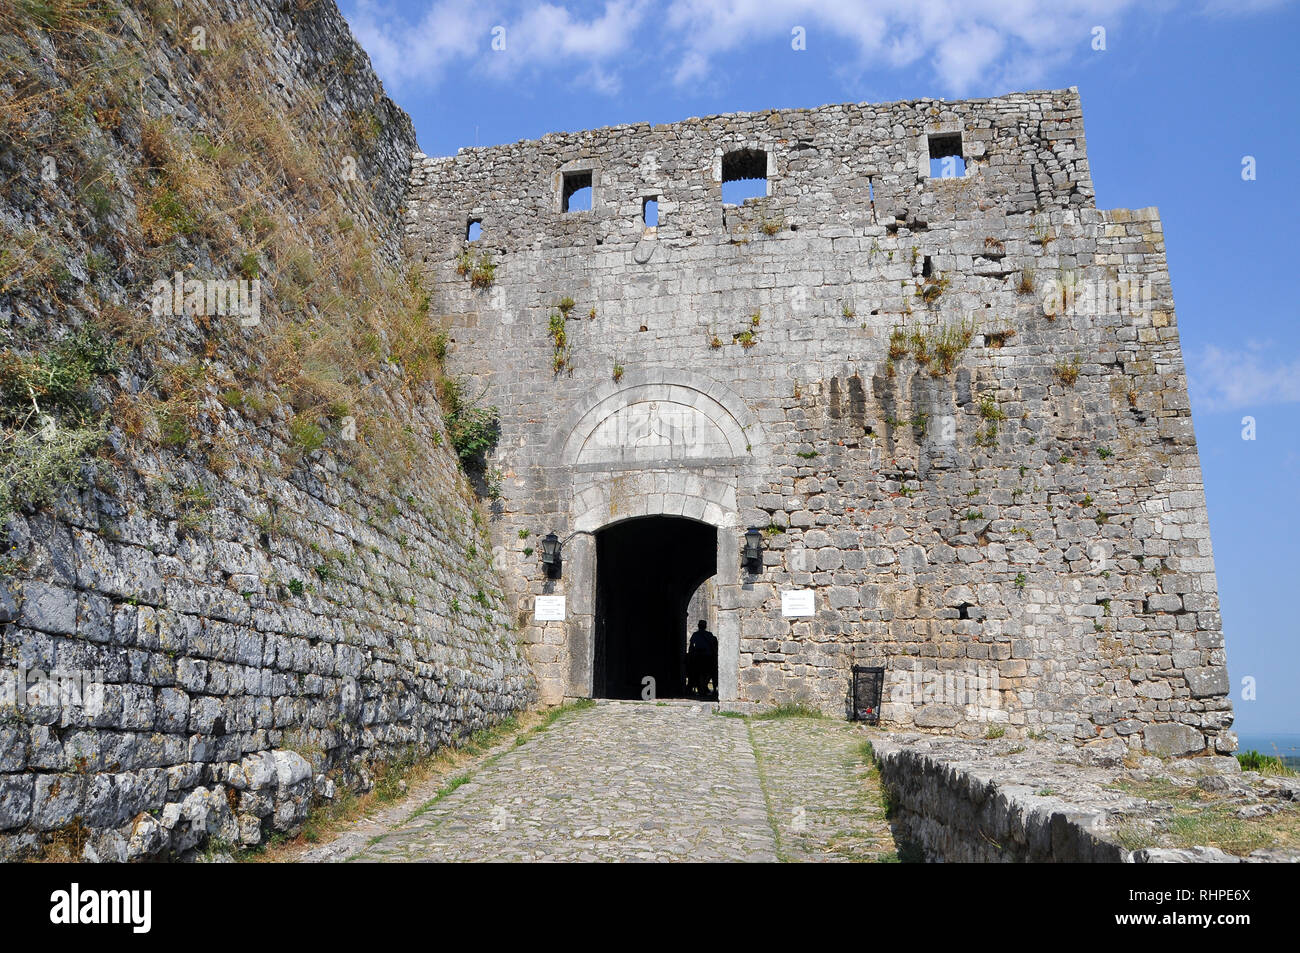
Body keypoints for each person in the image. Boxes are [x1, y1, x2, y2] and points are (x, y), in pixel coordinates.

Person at [686, 620, 718, 699]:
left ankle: (702, 688)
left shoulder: (695, 635)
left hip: (698, 656)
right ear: (705, 626)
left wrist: (690, 655)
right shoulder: (709, 635)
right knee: (706, 673)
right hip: (707, 656)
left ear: (698, 626)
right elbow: (713, 646)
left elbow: (691, 646)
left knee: (699, 673)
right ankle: (703, 688)